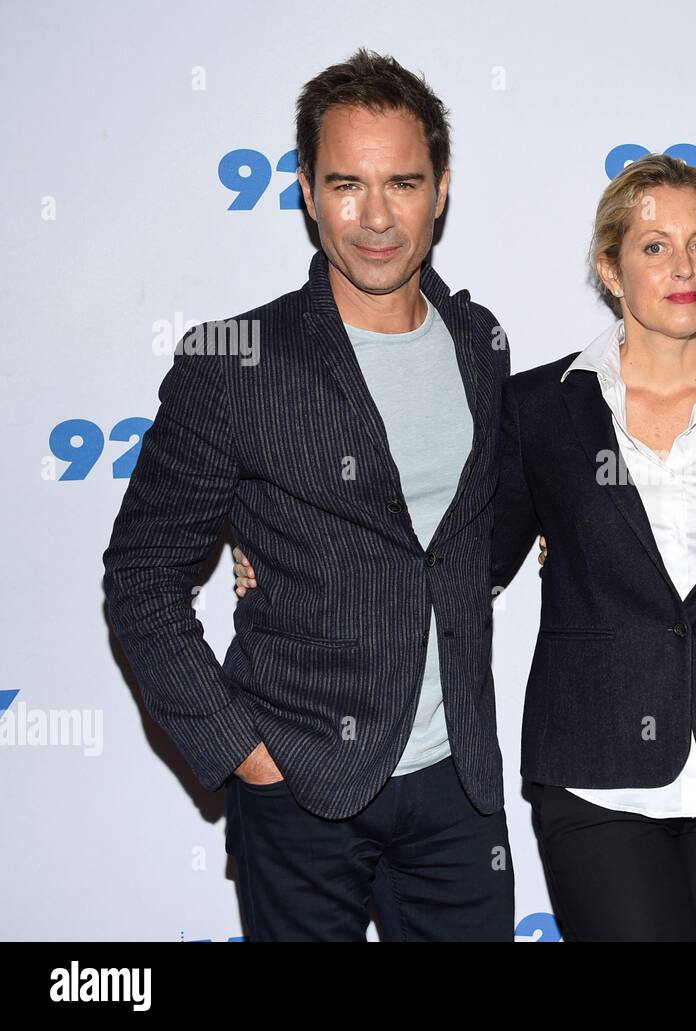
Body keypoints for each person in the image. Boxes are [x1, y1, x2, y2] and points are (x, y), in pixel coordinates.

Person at [236, 154, 696, 941]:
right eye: (654, 247)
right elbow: (461, 555)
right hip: (595, 773)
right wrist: (303, 555)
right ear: (610, 268)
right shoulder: (541, 407)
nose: (683, 267)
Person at [102, 49, 514, 942]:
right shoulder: (235, 365)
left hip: (460, 791)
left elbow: (473, 532)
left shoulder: (482, 344)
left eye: (402, 182)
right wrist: (243, 754)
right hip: (299, 789)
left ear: (441, 189)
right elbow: (141, 577)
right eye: (346, 184)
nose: (375, 217)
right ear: (305, 190)